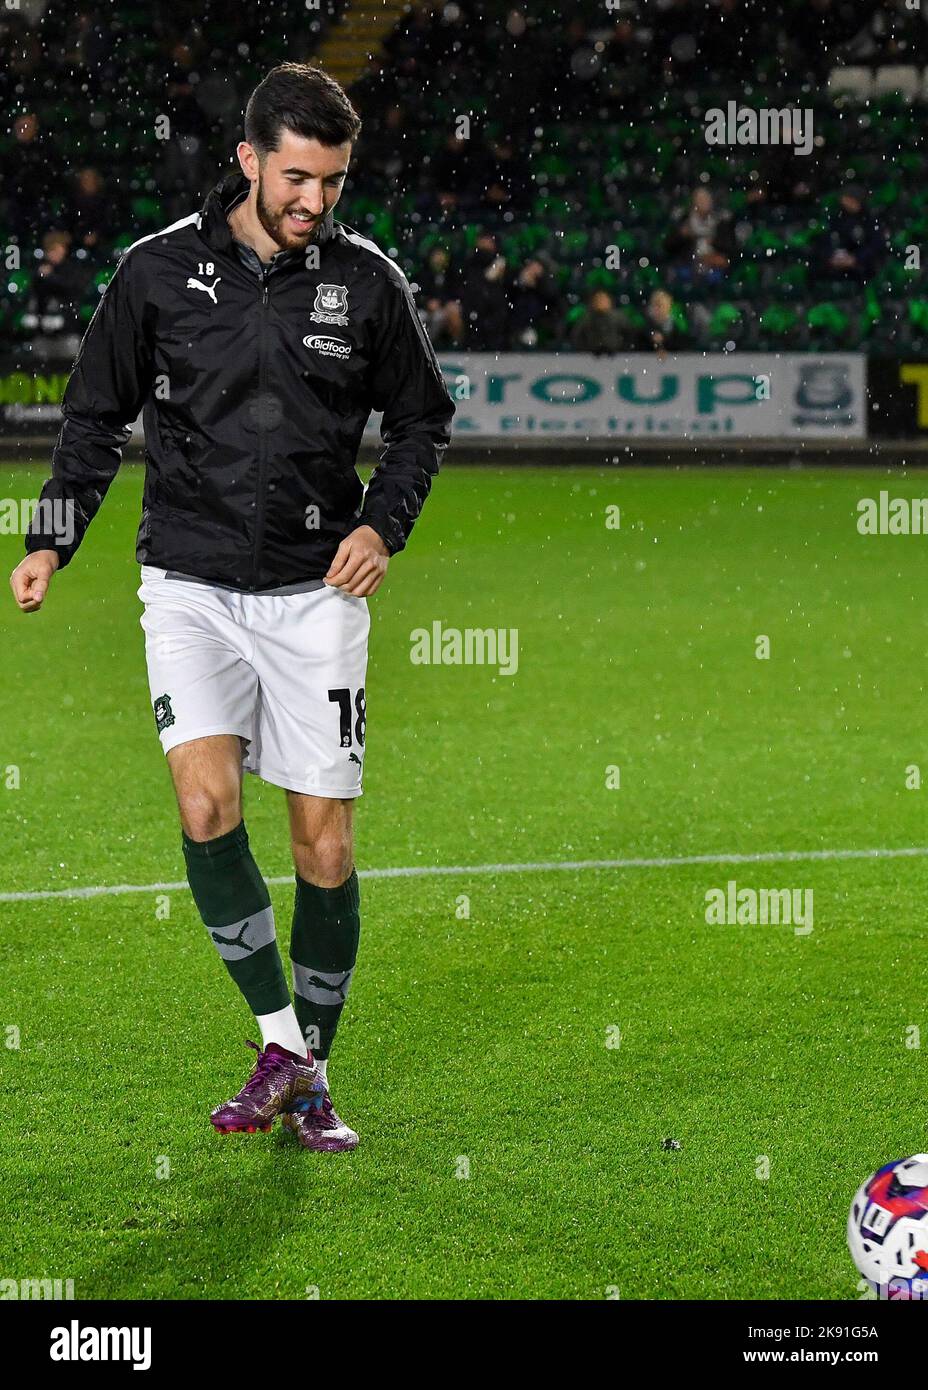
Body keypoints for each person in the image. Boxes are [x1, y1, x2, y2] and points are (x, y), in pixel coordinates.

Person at [10, 63, 455, 1154]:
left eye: (334, 183)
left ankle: (310, 1070)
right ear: (249, 158)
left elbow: (420, 423)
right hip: (192, 584)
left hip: (316, 594)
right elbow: (92, 414)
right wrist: (50, 536)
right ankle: (281, 1043)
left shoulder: (367, 282)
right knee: (207, 808)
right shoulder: (157, 272)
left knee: (324, 849)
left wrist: (379, 526)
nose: (315, 202)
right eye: (297, 177)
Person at [665, 187, 735, 283]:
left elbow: (729, 245)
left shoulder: (721, 221)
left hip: (714, 263)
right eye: (700, 199)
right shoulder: (684, 219)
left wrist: (714, 242)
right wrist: (681, 235)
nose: (704, 203)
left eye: (706, 199)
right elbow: (668, 245)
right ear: (694, 202)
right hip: (689, 262)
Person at [569, 289, 637, 354]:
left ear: (610, 301)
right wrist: (586, 351)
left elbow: (630, 334)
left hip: (617, 356)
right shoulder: (587, 318)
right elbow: (577, 336)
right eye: (597, 300)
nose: (600, 302)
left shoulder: (619, 317)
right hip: (591, 356)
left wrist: (623, 349)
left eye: (603, 299)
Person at [640, 289, 693, 355]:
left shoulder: (678, 328)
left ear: (668, 307)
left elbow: (683, 349)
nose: (657, 309)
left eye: (660, 306)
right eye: (654, 305)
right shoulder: (644, 329)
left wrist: (664, 340)